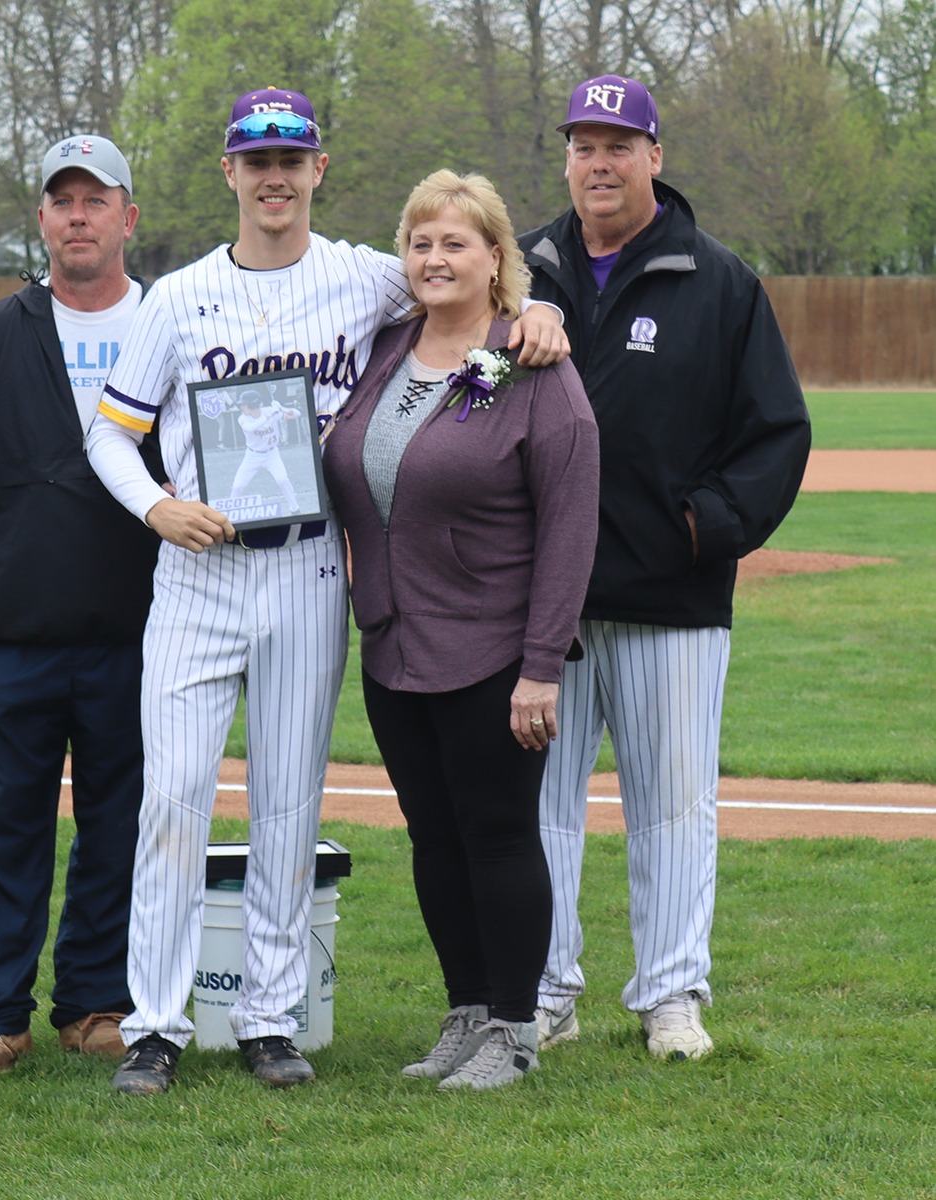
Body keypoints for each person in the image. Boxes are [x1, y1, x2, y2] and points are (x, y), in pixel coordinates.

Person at [85, 86, 569, 1096]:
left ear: (319, 171)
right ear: (229, 174)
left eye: (291, 159)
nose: (274, 177)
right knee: (172, 798)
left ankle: (269, 1016)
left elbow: (476, 303)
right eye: (256, 161)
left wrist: (540, 312)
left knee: (287, 804)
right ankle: (156, 1026)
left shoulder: (368, 281)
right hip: (197, 570)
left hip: (308, 566)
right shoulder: (175, 296)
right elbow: (109, 430)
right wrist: (150, 507)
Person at [519, 75, 811, 1060]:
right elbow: (467, 408)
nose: (598, 163)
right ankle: (545, 990)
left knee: (675, 806)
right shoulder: (524, 272)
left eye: (619, 144)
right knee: (541, 810)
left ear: (655, 156)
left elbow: (774, 434)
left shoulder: (719, 281)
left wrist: (702, 530)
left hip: (673, 600)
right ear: (565, 158)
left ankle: (672, 996)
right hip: (541, 609)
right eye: (582, 145)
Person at [322, 170, 598, 1090]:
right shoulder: (397, 351)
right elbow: (425, 459)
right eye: (420, 243)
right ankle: (469, 1012)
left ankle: (517, 1029)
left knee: (497, 835)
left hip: (492, 655)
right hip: (395, 645)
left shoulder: (523, 363)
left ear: (495, 259)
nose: (435, 259)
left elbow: (566, 525)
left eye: (456, 243)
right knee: (435, 839)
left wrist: (541, 667)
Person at [0, 135, 163, 1074]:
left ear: (127, 216)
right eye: (62, 201)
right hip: (15, 642)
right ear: (43, 219)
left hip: (139, 634)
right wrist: (6, 561)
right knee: (1, 830)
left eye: (96, 200)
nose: (78, 217)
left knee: (120, 829)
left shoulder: (167, 324)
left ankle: (96, 1003)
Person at [228, 388, 301, 513]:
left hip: (272, 455)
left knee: (282, 480)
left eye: (244, 404)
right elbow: (251, 428)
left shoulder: (270, 411)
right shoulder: (243, 418)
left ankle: (295, 509)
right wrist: (270, 414)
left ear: (252, 404)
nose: (242, 407)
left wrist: (282, 409)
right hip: (252, 456)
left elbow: (297, 414)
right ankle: (230, 512)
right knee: (238, 486)